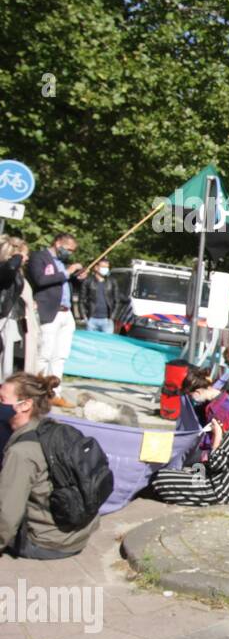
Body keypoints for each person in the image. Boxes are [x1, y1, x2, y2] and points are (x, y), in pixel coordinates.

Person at [0, 372, 101, 558]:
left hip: (48, 543)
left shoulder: (21, 453)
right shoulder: (55, 428)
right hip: (79, 533)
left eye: (2, 398)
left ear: (25, 405)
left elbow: (7, 515)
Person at [148, 377, 229, 506]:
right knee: (196, 468)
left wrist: (218, 434)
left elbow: (215, 463)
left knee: (160, 476)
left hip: (223, 491)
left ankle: (185, 492)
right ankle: (186, 487)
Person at [25, 233, 86, 407]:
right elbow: (41, 280)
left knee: (60, 356)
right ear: (58, 243)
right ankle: (36, 392)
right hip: (49, 311)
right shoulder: (39, 257)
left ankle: (54, 393)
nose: (69, 254)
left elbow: (66, 284)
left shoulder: (62, 263)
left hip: (66, 313)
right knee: (44, 353)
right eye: (68, 249)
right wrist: (67, 272)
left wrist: (78, 278)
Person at [0, 236, 30, 385]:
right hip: (1, 316)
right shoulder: (5, 267)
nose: (26, 258)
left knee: (6, 355)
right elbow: (10, 268)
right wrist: (18, 255)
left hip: (8, 318)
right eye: (25, 254)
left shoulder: (16, 271)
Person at [78, 259, 118, 333]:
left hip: (107, 320)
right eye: (103, 266)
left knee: (106, 343)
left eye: (107, 267)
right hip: (91, 320)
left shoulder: (112, 282)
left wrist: (112, 317)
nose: (105, 269)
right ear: (96, 267)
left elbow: (116, 301)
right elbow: (81, 300)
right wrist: (84, 317)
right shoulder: (87, 281)